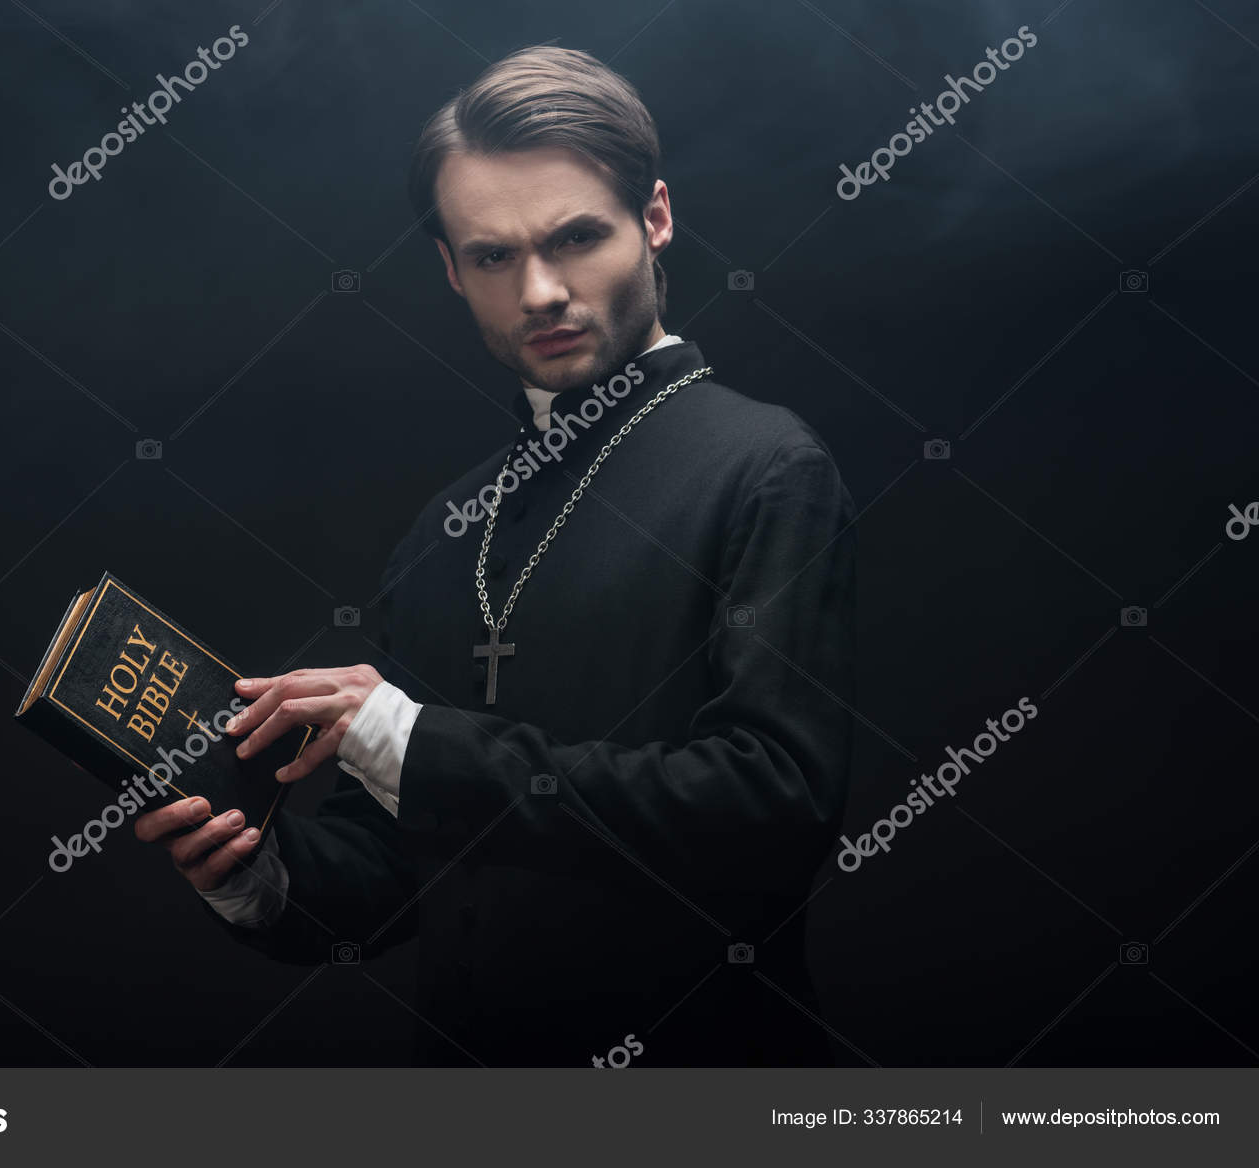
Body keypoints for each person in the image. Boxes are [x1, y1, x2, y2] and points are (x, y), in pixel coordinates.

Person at [134, 44, 858, 1066]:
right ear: (449, 269)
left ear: (654, 218)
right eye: (491, 257)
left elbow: (768, 818)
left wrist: (412, 739)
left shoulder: (764, 465)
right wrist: (254, 869)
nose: (540, 292)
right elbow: (387, 885)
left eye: (576, 237)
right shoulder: (445, 528)